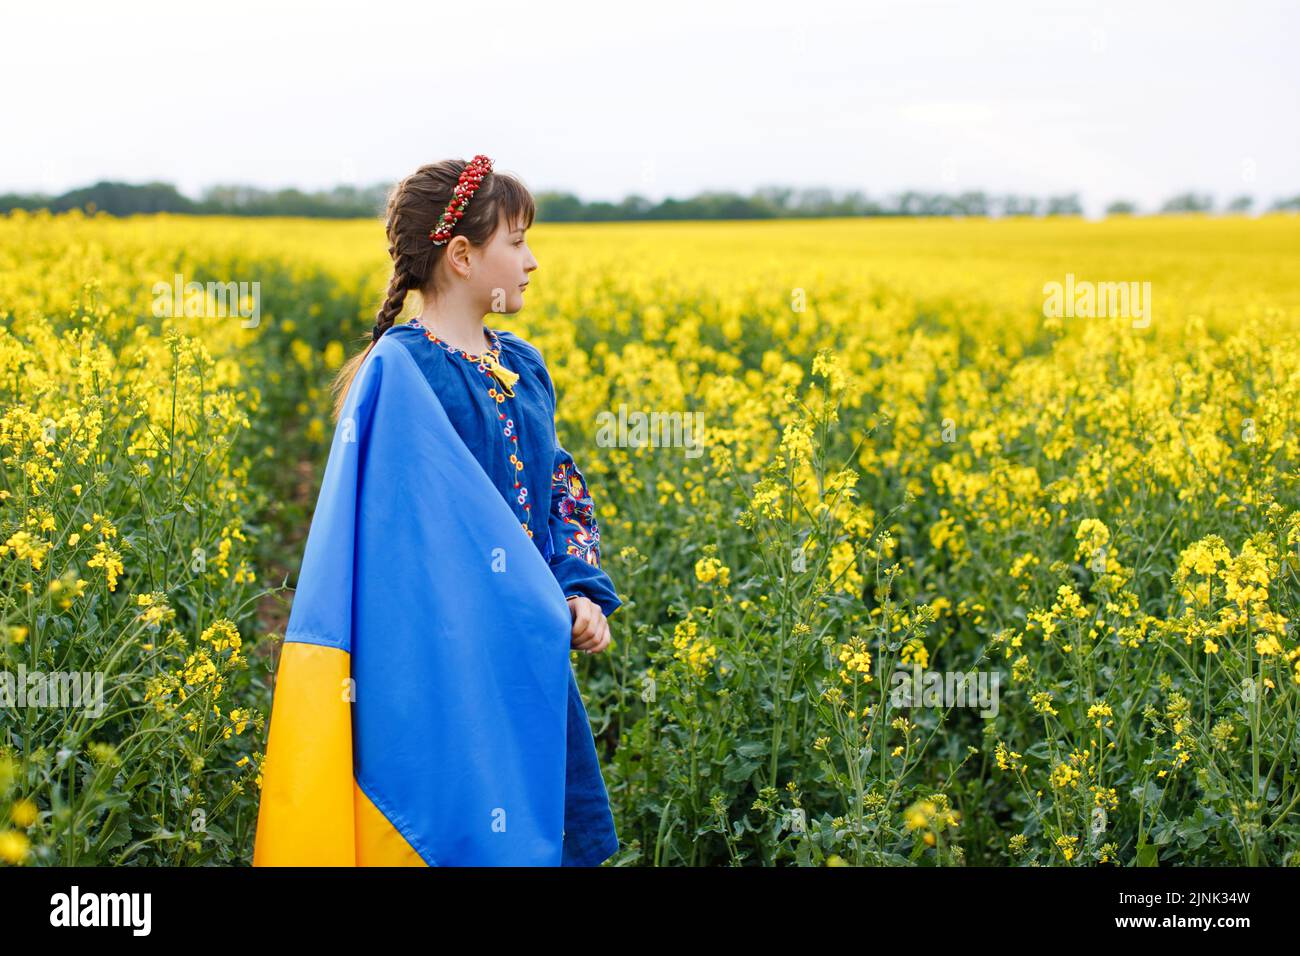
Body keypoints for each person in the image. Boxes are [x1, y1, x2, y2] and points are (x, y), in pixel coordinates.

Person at [253, 156, 621, 867]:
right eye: (516, 242)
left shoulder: (524, 364)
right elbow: (395, 546)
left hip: (526, 649)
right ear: (461, 256)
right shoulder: (402, 370)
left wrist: (578, 588)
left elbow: (560, 488)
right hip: (448, 660)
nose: (532, 260)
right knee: (457, 824)